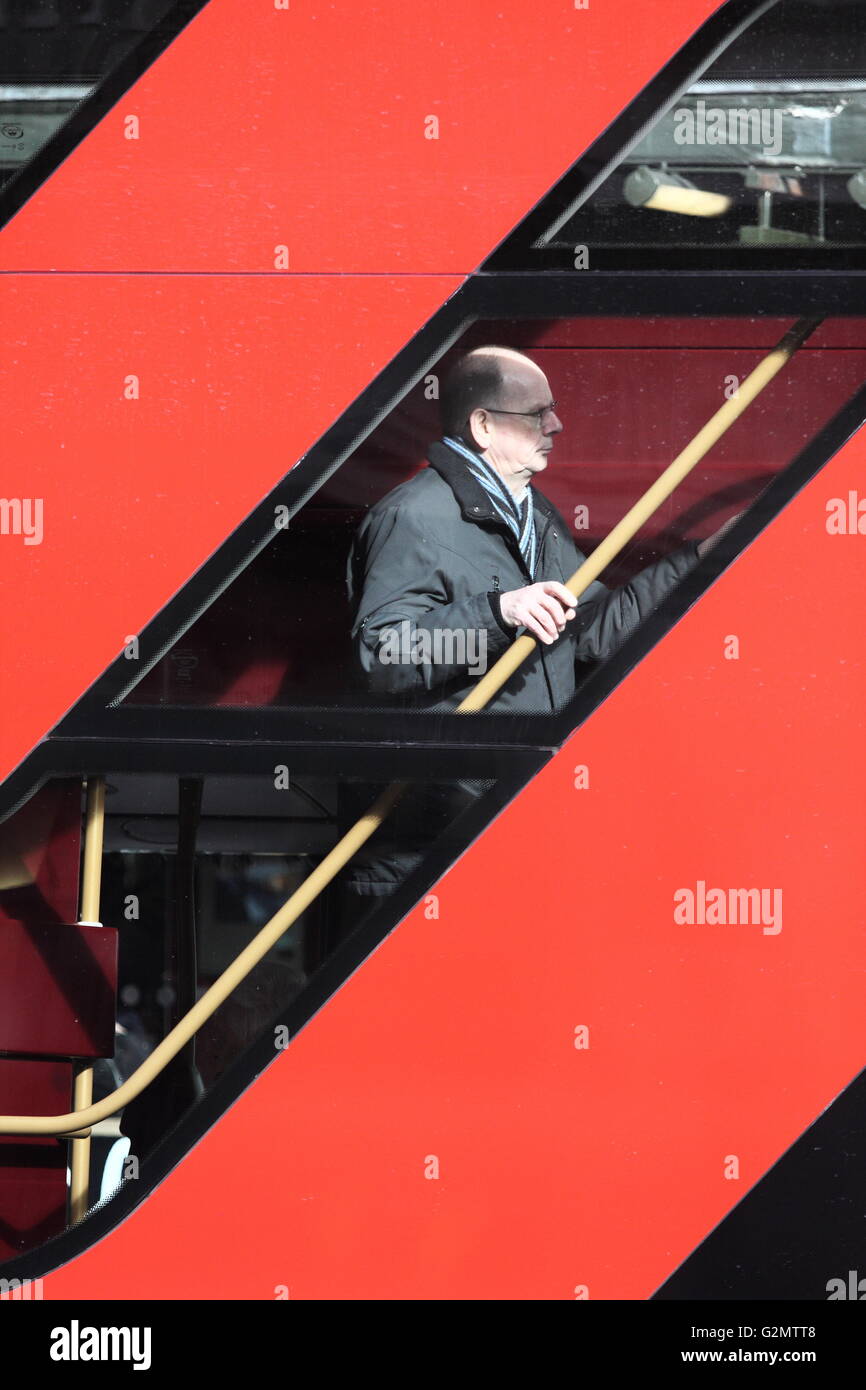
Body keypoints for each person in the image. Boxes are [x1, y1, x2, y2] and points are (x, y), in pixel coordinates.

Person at [338, 345, 734, 905]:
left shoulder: (532, 515)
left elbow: (594, 629)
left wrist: (701, 558)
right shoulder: (414, 515)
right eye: (537, 413)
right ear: (483, 424)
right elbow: (384, 656)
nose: (557, 423)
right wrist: (500, 612)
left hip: (505, 823)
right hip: (433, 849)